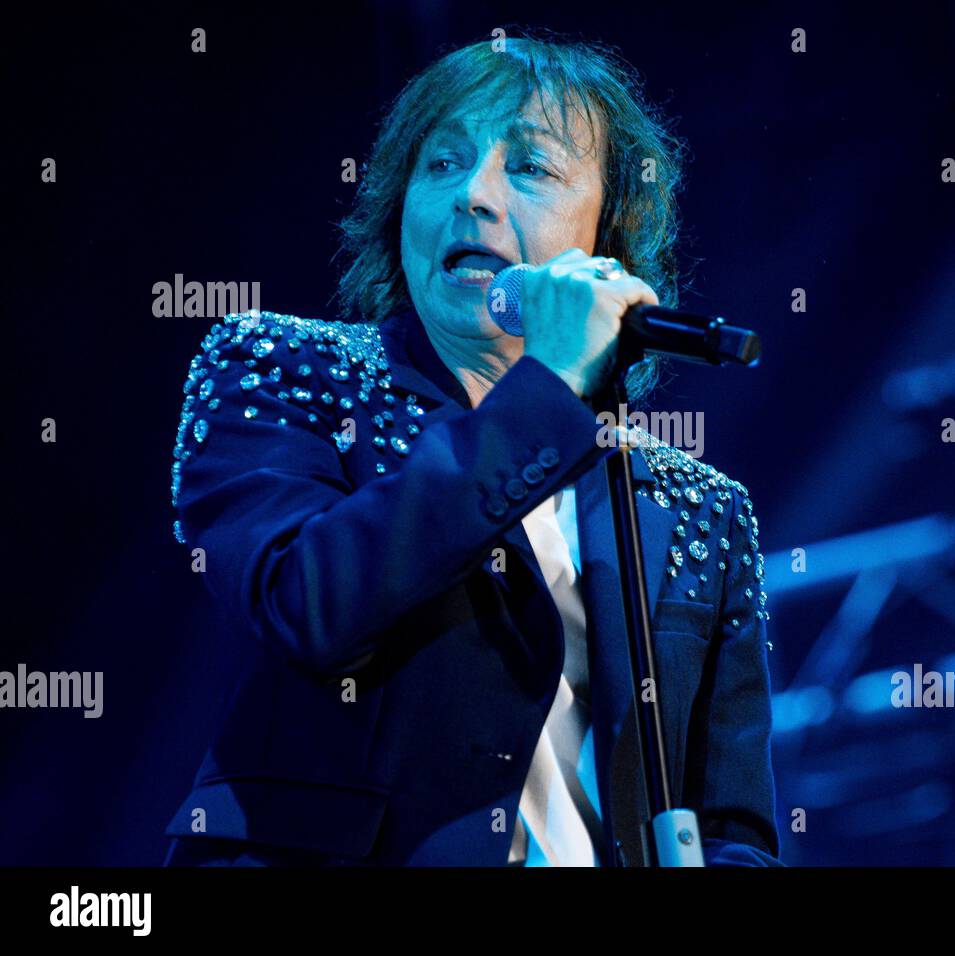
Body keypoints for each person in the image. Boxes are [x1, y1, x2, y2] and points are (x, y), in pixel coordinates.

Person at [162, 33, 779, 867]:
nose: (474, 195)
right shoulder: (283, 369)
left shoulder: (699, 509)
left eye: (531, 168)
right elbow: (306, 605)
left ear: (608, 234)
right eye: (443, 163)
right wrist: (546, 392)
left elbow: (734, 828)